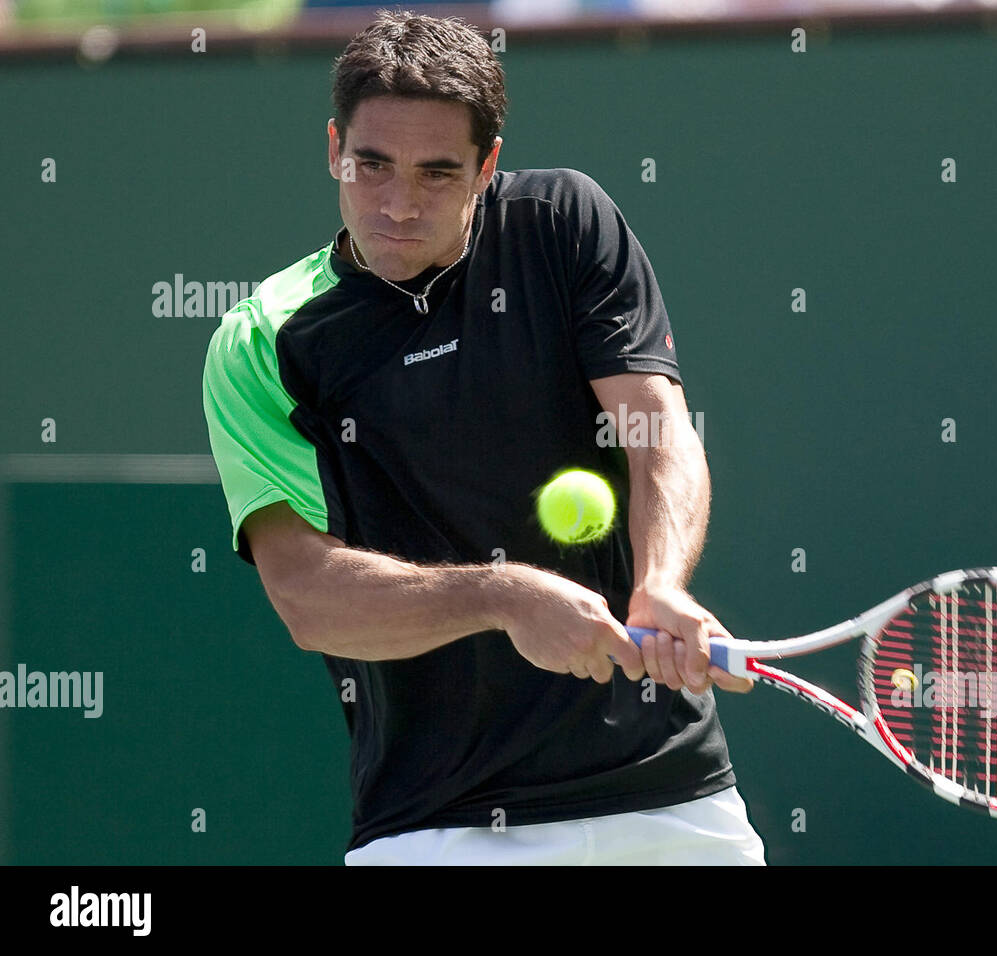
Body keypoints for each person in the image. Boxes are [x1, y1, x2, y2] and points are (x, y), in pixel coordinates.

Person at [201, 11, 765, 865]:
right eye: (372, 166)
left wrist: (660, 585)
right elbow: (306, 598)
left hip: (667, 798)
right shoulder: (266, 341)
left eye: (437, 173)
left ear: (487, 165)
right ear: (332, 150)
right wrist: (503, 598)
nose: (398, 203)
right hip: (436, 826)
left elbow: (655, 426)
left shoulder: (561, 223)